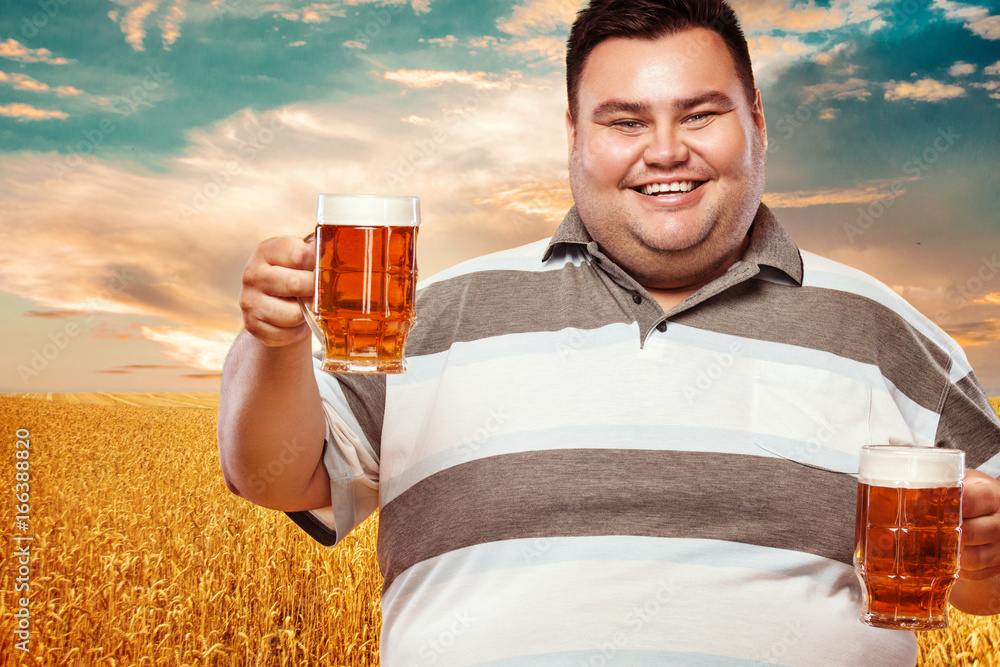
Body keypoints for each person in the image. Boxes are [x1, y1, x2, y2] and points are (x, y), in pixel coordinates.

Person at [218, 0, 1000, 664]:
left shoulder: (885, 327)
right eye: (625, 121)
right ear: (574, 136)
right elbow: (276, 476)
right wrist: (272, 341)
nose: (665, 150)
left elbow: (980, 569)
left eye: (700, 113)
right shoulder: (433, 316)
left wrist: (985, 561)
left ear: (756, 121)